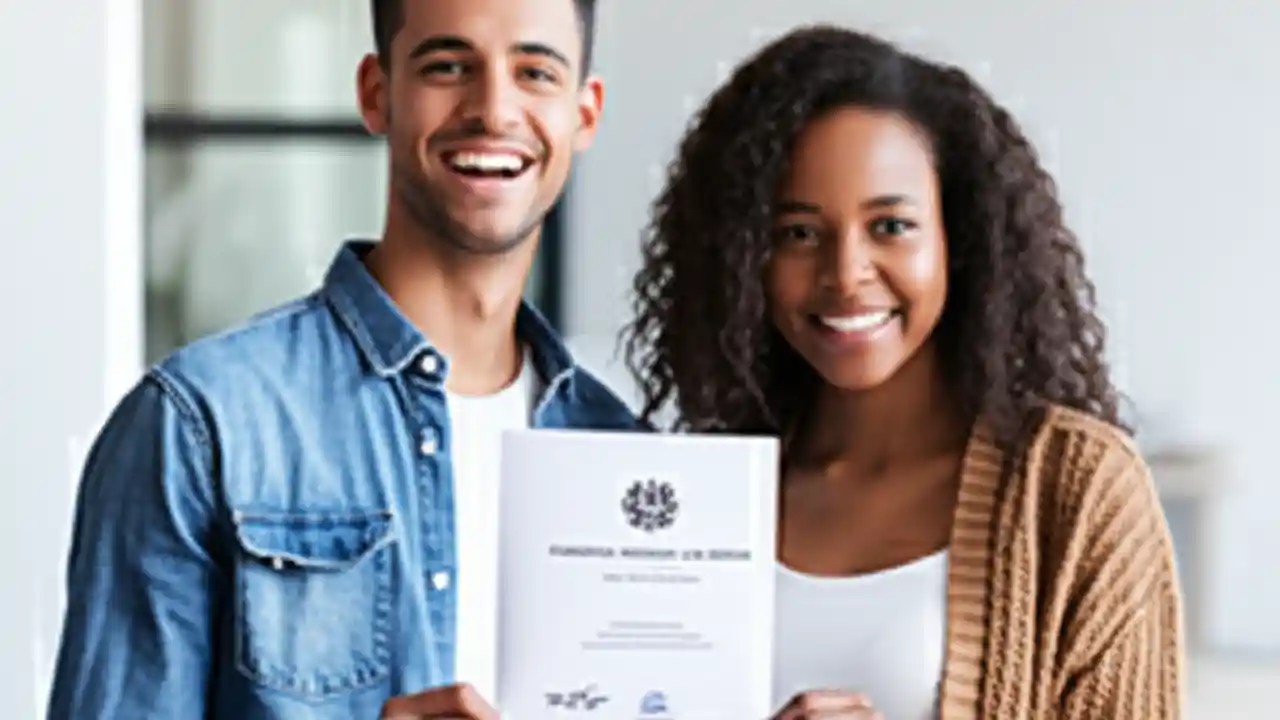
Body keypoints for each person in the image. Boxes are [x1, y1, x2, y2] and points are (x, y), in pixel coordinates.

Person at [47, 0, 634, 718]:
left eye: (535, 72)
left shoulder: (624, 454)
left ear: (586, 112)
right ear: (376, 93)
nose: (493, 109)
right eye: (448, 66)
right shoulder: (201, 424)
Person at [623, 25, 1185, 720]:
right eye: (797, 233)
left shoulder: (1072, 489)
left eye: (890, 226)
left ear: (961, 240)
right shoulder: (701, 490)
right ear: (745, 261)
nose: (846, 275)